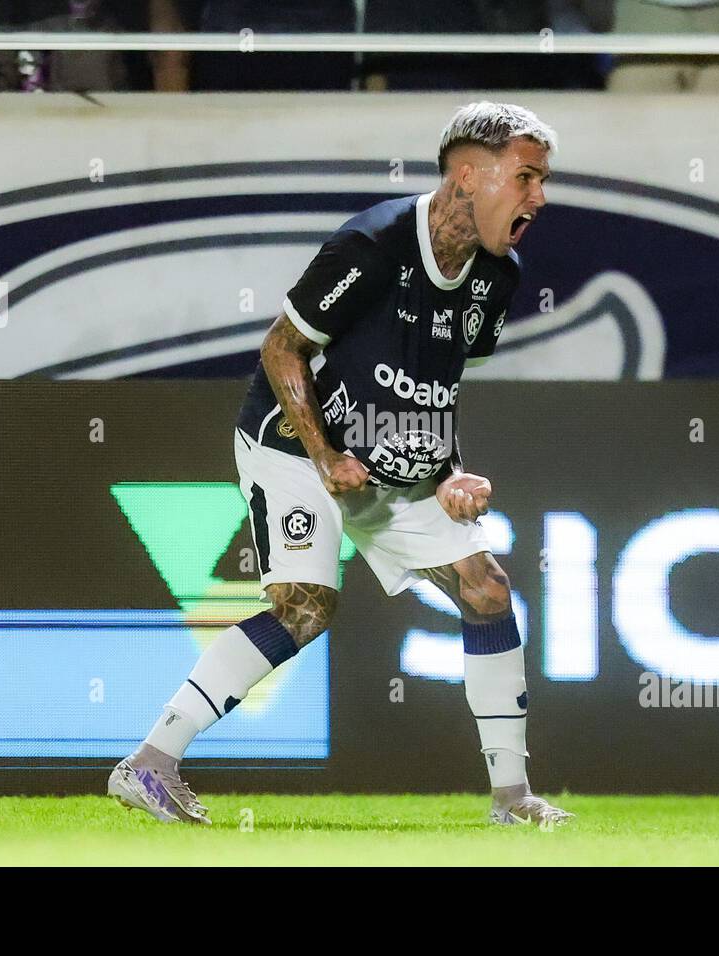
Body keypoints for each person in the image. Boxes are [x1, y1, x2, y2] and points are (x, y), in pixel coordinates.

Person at [109, 102, 575, 829]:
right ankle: (150, 763)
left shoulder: (498, 278)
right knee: (305, 609)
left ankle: (512, 802)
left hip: (391, 461)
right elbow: (280, 348)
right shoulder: (375, 243)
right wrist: (325, 455)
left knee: (486, 590)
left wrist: (449, 471)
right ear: (468, 174)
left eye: (542, 180)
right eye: (526, 178)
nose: (538, 199)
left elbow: (433, 383)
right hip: (293, 444)